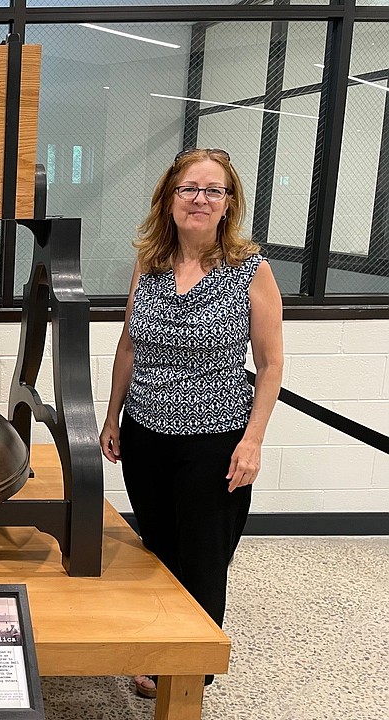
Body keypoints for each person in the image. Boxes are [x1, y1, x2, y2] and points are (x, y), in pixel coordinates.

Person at [98, 149, 283, 700]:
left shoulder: (252, 269)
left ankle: (186, 673)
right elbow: (129, 344)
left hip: (217, 437)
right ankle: (161, 644)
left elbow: (271, 365)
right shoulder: (149, 263)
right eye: (188, 188)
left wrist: (252, 443)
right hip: (147, 432)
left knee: (204, 556)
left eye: (212, 190)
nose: (199, 199)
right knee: (159, 549)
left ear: (228, 204)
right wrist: (112, 418)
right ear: (169, 199)